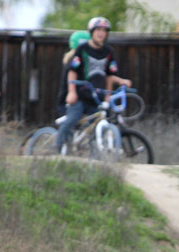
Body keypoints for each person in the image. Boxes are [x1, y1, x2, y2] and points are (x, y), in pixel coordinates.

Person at [54, 16, 132, 153]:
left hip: (96, 98)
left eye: (104, 30)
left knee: (97, 125)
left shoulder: (109, 52)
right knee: (72, 119)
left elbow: (109, 75)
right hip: (80, 96)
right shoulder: (82, 49)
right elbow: (72, 71)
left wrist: (107, 95)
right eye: (98, 30)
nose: (101, 33)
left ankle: (93, 155)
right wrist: (72, 92)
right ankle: (56, 151)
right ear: (91, 32)